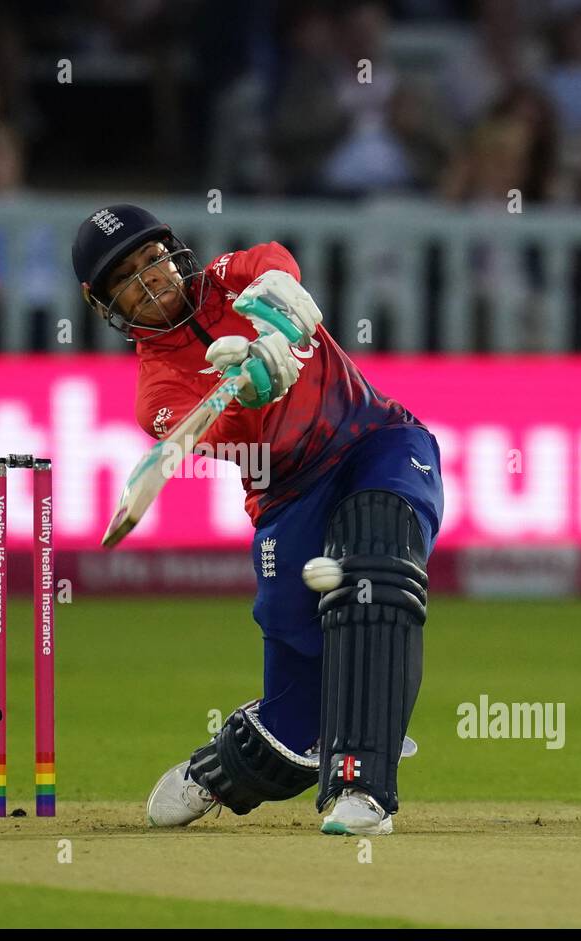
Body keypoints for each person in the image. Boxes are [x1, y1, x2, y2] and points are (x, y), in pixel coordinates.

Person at [71, 204, 444, 835]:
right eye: (129, 276)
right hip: (286, 497)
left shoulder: (223, 280)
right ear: (101, 300)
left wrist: (281, 298)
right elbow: (230, 433)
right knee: (295, 720)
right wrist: (253, 388)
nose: (153, 277)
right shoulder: (158, 396)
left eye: (154, 259)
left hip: (375, 441)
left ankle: (363, 789)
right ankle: (224, 767)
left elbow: (267, 258)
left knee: (375, 572)